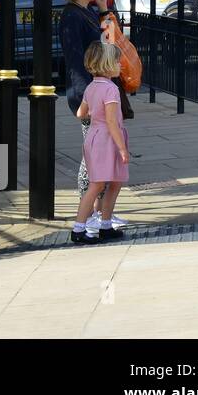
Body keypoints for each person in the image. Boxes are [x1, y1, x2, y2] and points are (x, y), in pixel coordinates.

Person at [59, 0, 128, 203]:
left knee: (102, 154)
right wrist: (85, 97)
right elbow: (75, 61)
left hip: (102, 91)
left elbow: (110, 44)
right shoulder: (71, 16)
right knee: (95, 155)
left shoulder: (86, 12)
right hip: (91, 95)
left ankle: (98, 211)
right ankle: (88, 211)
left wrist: (103, 8)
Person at [71, 41, 130, 244]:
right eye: (117, 61)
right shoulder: (111, 89)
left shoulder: (91, 87)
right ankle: (79, 229)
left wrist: (95, 115)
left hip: (94, 137)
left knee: (110, 182)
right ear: (107, 65)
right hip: (108, 140)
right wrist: (122, 148)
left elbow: (80, 113)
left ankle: (104, 225)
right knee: (100, 185)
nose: (120, 64)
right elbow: (112, 122)